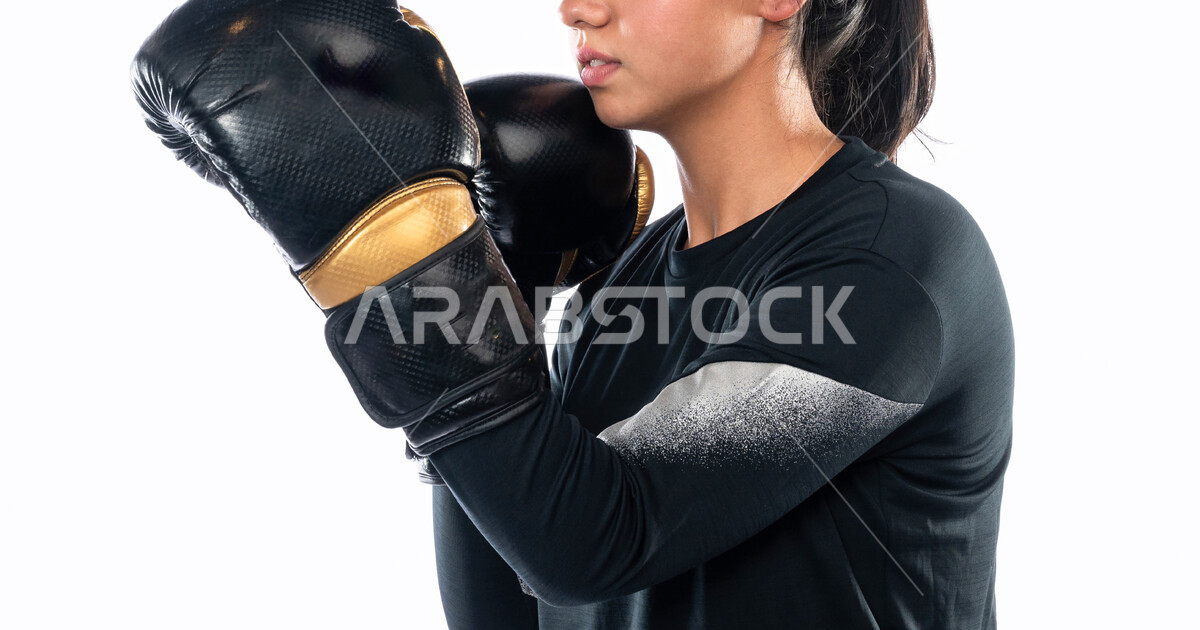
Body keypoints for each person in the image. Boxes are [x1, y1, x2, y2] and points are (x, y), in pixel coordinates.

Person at [131, 0, 1013, 628]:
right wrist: (495, 294)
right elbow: (510, 603)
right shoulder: (616, 292)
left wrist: (412, 266)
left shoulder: (894, 260)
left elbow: (597, 542)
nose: (577, 9)